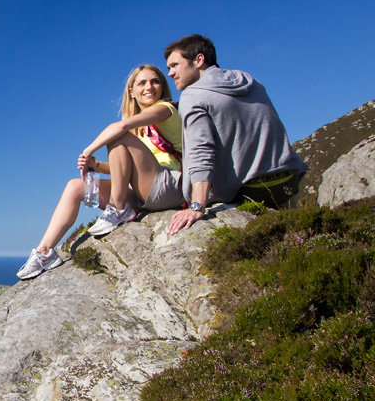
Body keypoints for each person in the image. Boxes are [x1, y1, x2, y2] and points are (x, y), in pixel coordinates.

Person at [17, 64, 187, 280]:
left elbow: (119, 129)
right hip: (142, 193)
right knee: (75, 187)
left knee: (116, 135)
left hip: (168, 187)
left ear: (162, 87)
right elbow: (127, 168)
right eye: (142, 83)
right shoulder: (137, 129)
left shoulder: (166, 109)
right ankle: (44, 252)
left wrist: (88, 151)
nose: (149, 87)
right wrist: (97, 166)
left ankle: (117, 208)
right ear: (131, 92)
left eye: (155, 81)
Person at [163, 34, 309, 235]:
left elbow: (201, 151)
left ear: (198, 60)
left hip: (251, 189)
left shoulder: (192, 95)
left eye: (174, 65)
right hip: (288, 178)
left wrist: (197, 205)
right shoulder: (249, 81)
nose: (170, 73)